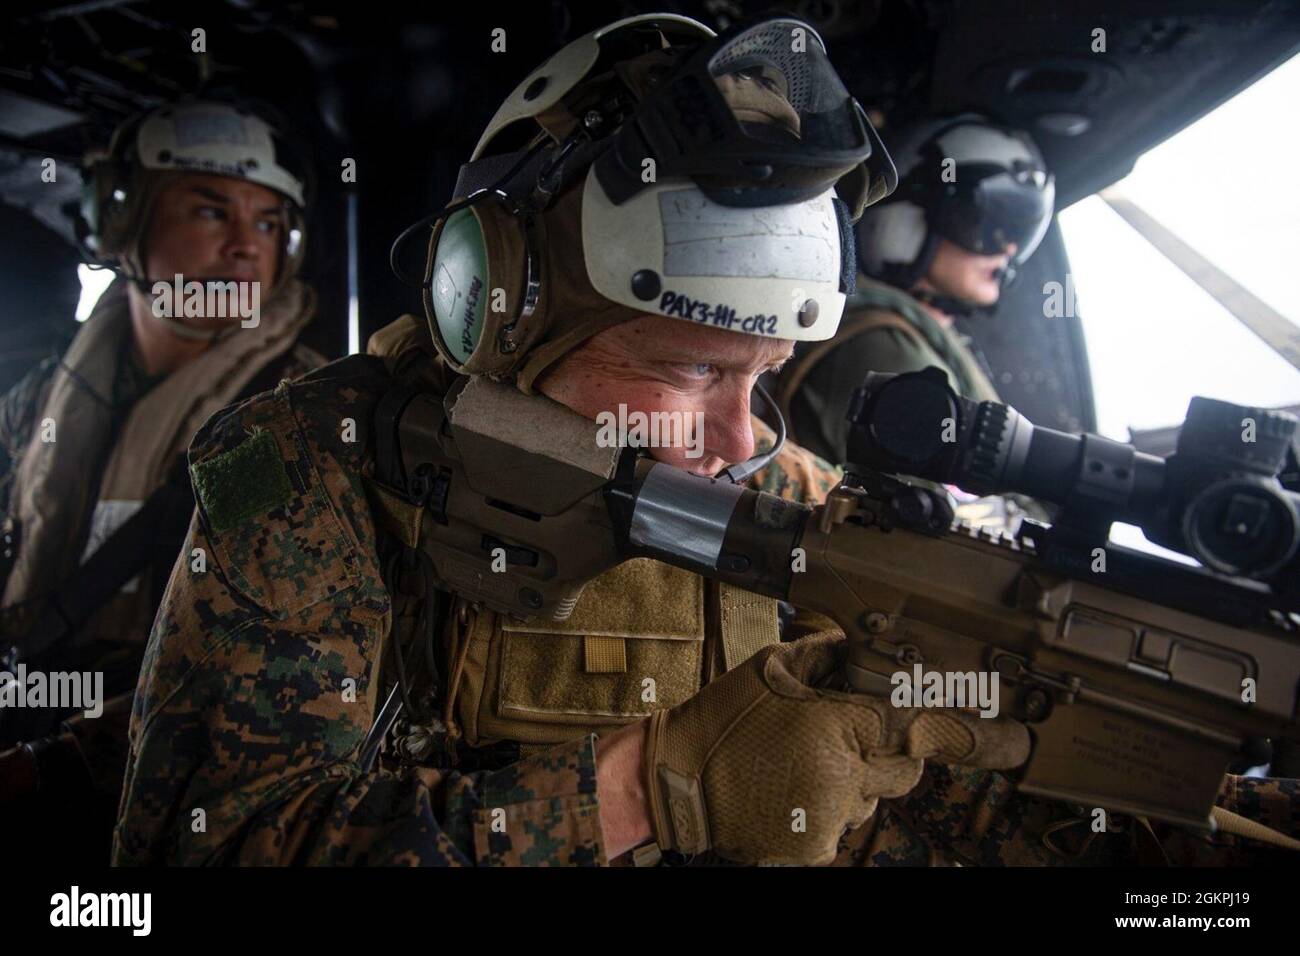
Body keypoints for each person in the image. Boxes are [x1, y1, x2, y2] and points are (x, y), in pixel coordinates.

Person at [112, 16, 1296, 868]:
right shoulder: (319, 466)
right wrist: (650, 788)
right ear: (497, 309)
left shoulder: (800, 508)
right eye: (687, 367)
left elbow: (941, 805)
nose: (741, 439)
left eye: (766, 376)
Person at [0, 98, 328, 861]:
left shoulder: (296, 421)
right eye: (211, 211)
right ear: (124, 226)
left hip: (165, 803)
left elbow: (263, 676)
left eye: (271, 223)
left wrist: (42, 771)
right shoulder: (35, 404)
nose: (248, 246)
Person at [775, 113, 1055, 469]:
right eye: (987, 226)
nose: (1009, 249)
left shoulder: (915, 335)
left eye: (1018, 230)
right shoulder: (887, 347)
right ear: (908, 217)